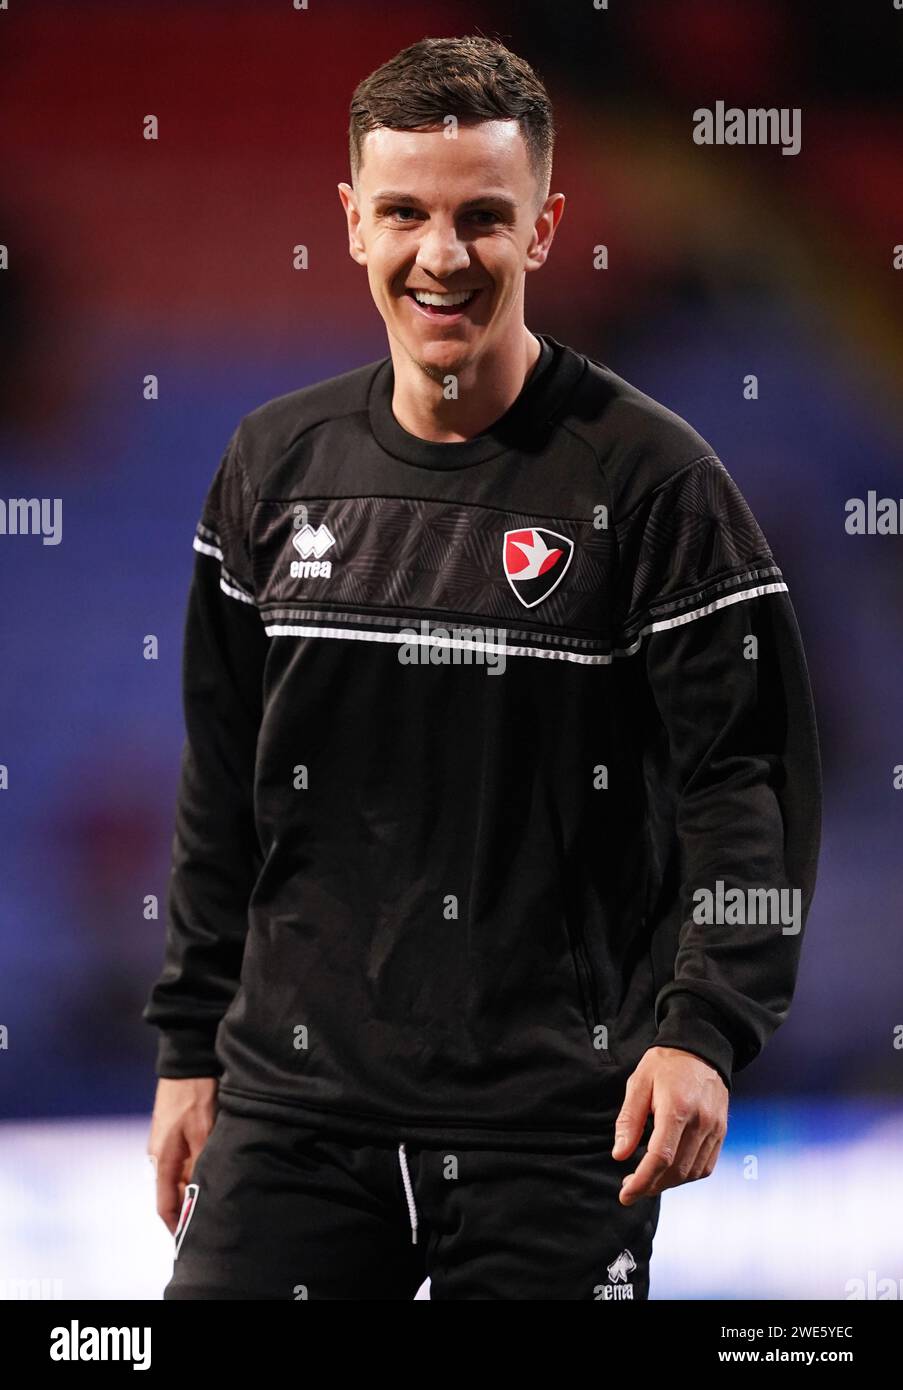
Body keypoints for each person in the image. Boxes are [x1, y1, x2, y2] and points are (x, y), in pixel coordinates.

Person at [144, 34, 821, 1300]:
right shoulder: (270, 466)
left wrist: (706, 1032)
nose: (440, 257)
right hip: (295, 1121)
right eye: (403, 212)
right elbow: (224, 782)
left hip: (559, 1136)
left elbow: (750, 785)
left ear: (547, 226)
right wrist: (190, 1043)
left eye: (482, 218)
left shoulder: (654, 482)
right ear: (351, 221)